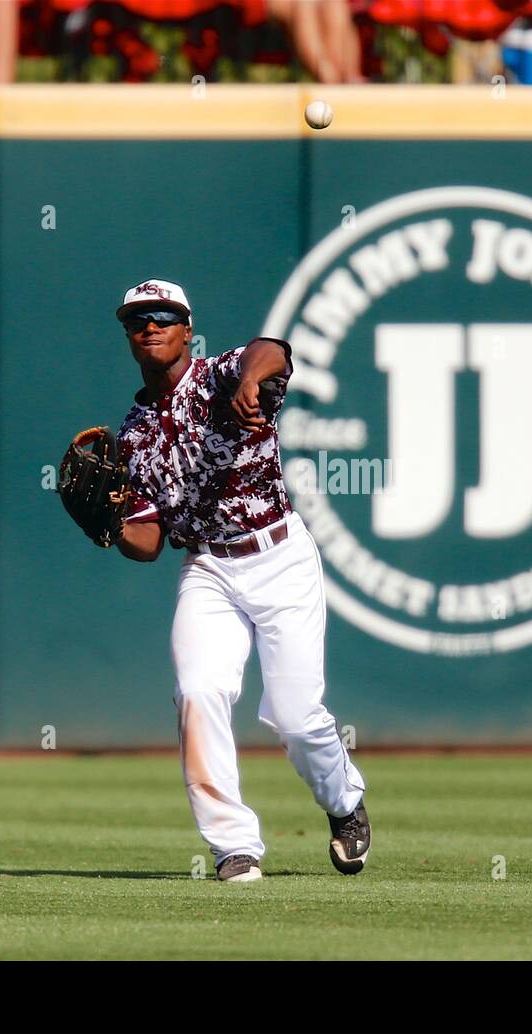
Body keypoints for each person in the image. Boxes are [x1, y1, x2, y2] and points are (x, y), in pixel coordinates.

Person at [112, 279, 370, 883]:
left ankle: (344, 802)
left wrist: (252, 380)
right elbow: (147, 545)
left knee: (296, 716)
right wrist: (108, 524)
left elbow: (273, 348)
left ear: (185, 327)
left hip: (278, 555)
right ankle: (233, 846)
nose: (149, 327)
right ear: (126, 335)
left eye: (162, 317)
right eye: (136, 320)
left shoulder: (220, 377)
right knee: (198, 693)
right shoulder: (132, 434)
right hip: (207, 569)